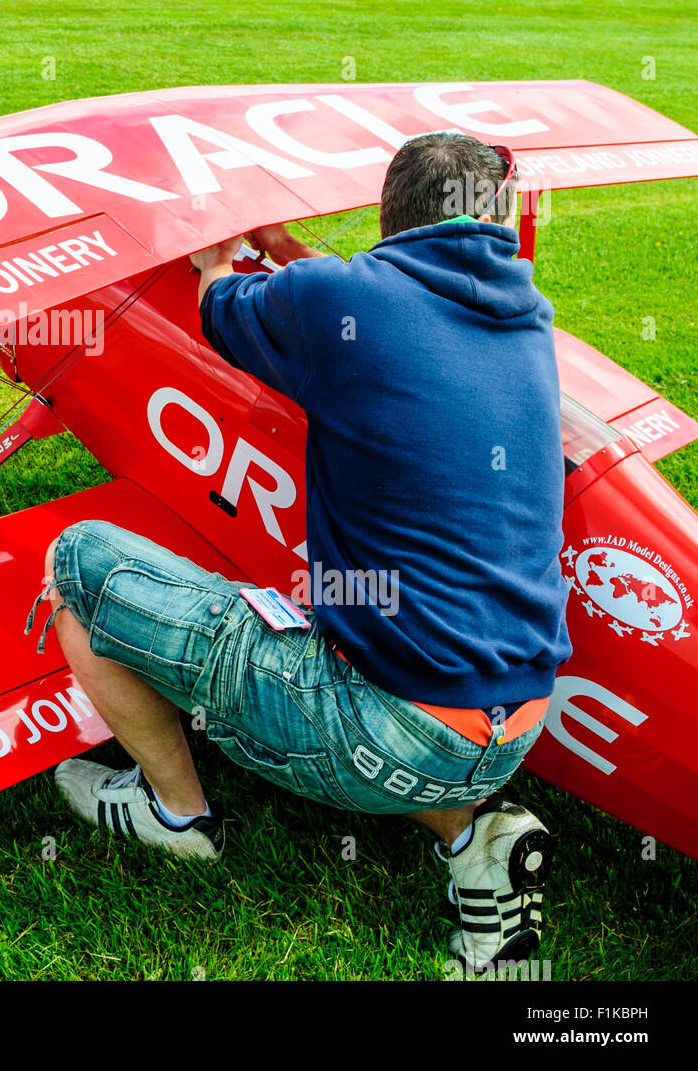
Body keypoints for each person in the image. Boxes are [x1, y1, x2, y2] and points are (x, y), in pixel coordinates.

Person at [33, 132, 570, 974]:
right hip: (517, 722)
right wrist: (285, 251)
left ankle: (176, 818)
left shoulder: (335, 298)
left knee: (78, 560)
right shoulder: (524, 316)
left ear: (390, 214)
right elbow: (379, 309)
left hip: (386, 729)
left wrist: (218, 255)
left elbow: (219, 304)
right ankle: (476, 835)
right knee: (404, 669)